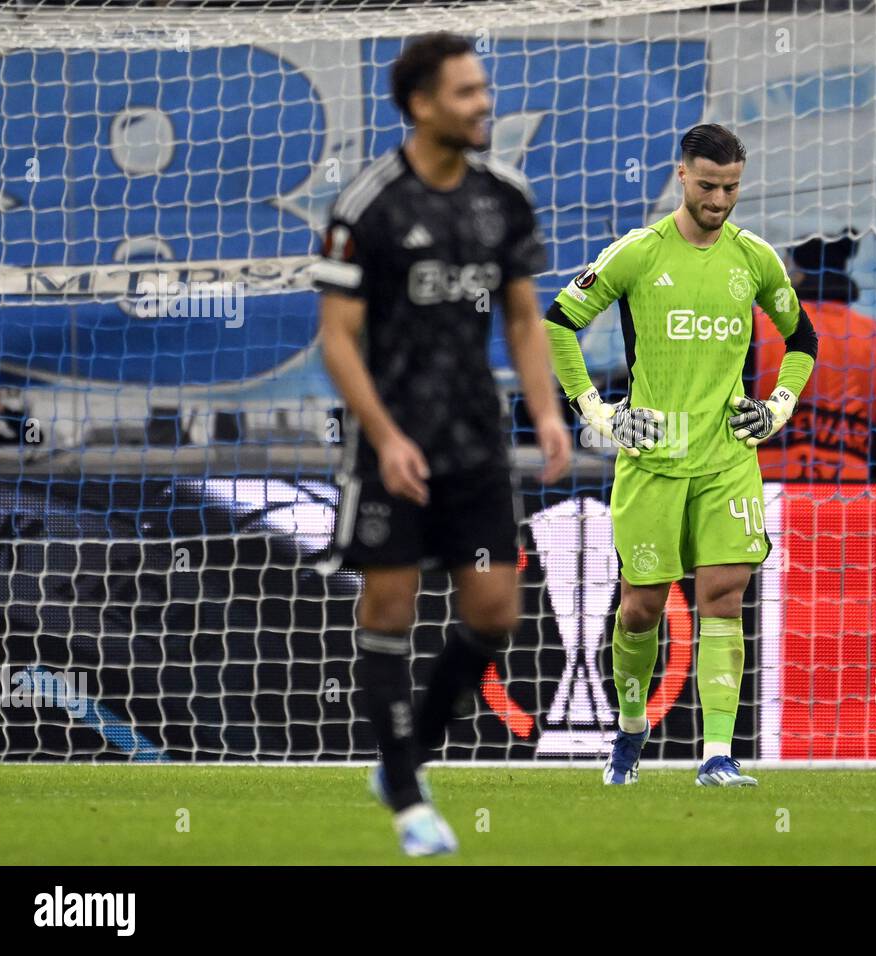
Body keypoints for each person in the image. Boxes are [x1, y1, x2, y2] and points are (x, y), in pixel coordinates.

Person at [313, 33, 569, 856]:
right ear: (422, 105)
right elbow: (338, 341)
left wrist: (549, 413)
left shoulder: (505, 197)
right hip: (391, 449)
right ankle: (409, 801)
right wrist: (382, 437)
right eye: (465, 93)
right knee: (388, 607)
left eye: (483, 89)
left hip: (475, 446)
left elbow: (526, 318)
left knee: (495, 613)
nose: (483, 103)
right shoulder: (370, 206)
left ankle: (406, 757)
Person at [544, 124, 817, 787]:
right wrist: (598, 412)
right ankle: (630, 733)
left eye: (732, 187)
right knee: (641, 607)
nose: (721, 200)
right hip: (654, 458)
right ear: (681, 176)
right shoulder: (638, 254)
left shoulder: (755, 259)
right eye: (709, 185)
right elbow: (558, 322)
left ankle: (717, 757)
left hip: (727, 457)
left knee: (724, 595)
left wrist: (778, 406)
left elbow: (802, 338)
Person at [752, 232, 876, 481]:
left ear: (800, 271)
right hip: (848, 498)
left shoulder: (761, 324)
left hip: (768, 496)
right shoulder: (873, 336)